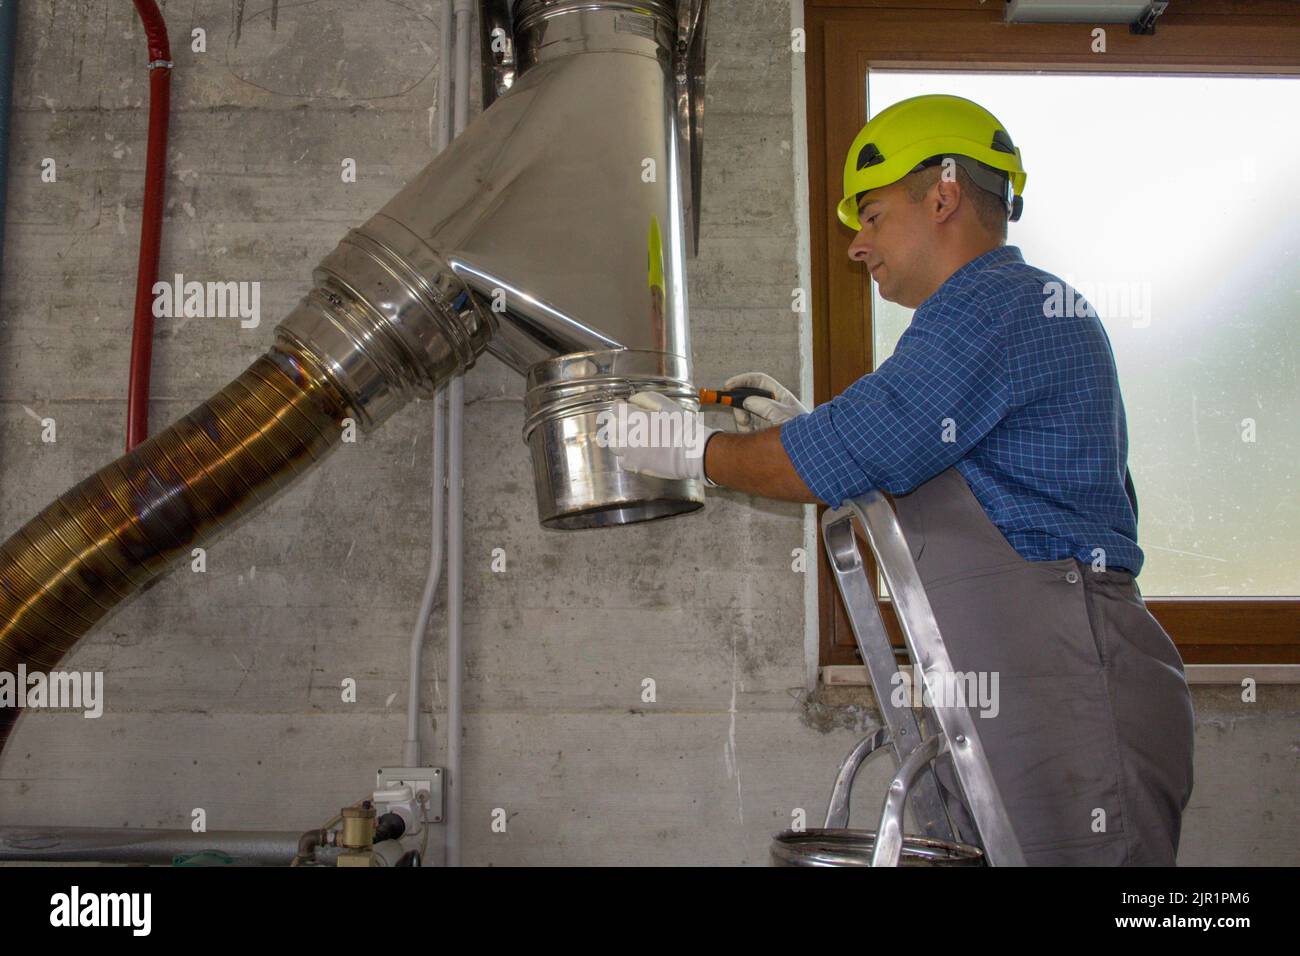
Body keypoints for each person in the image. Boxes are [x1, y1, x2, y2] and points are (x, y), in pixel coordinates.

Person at [610, 94, 1195, 865]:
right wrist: (796, 432)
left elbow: (854, 450)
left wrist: (691, 449)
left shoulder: (1001, 306)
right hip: (1026, 695)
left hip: (1068, 695)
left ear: (944, 195)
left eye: (874, 215)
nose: (857, 245)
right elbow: (881, 448)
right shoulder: (977, 321)